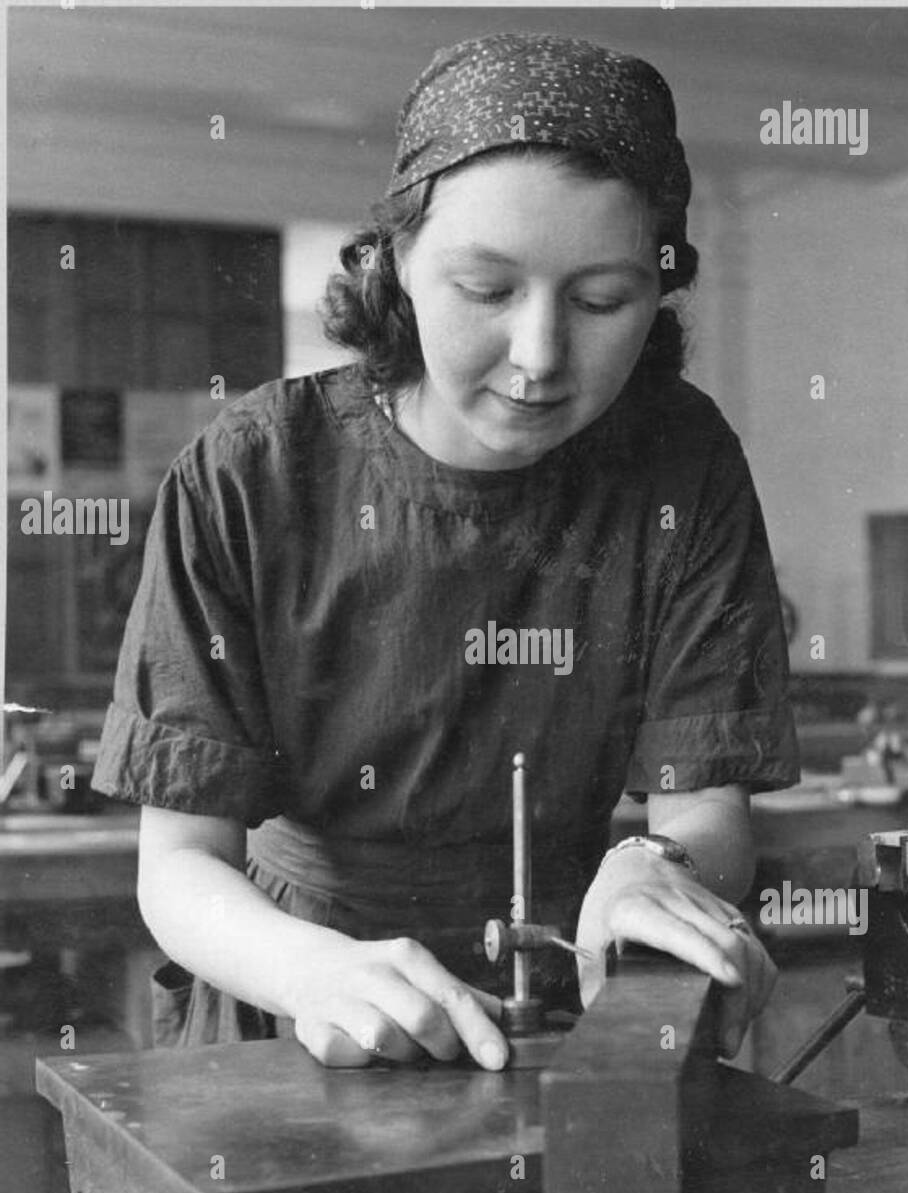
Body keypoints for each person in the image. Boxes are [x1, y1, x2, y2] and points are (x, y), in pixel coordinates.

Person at [91, 32, 800, 1071]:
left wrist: (656, 866)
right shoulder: (251, 472)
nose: (541, 356)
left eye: (603, 301)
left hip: (567, 1004)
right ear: (398, 261)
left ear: (658, 295)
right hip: (292, 1006)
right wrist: (313, 971)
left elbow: (708, 810)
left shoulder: (680, 466)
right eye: (486, 289)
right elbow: (181, 868)